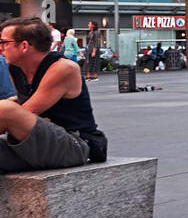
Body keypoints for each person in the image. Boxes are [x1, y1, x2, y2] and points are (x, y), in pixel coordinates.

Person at [0, 16, 108, 173]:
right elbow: (25, 116)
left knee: (5, 109)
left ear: (24, 46)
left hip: (76, 144)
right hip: (37, 141)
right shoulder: (15, 68)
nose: (1, 48)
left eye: (4, 42)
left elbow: (23, 113)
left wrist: (19, 114)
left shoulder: (63, 68)